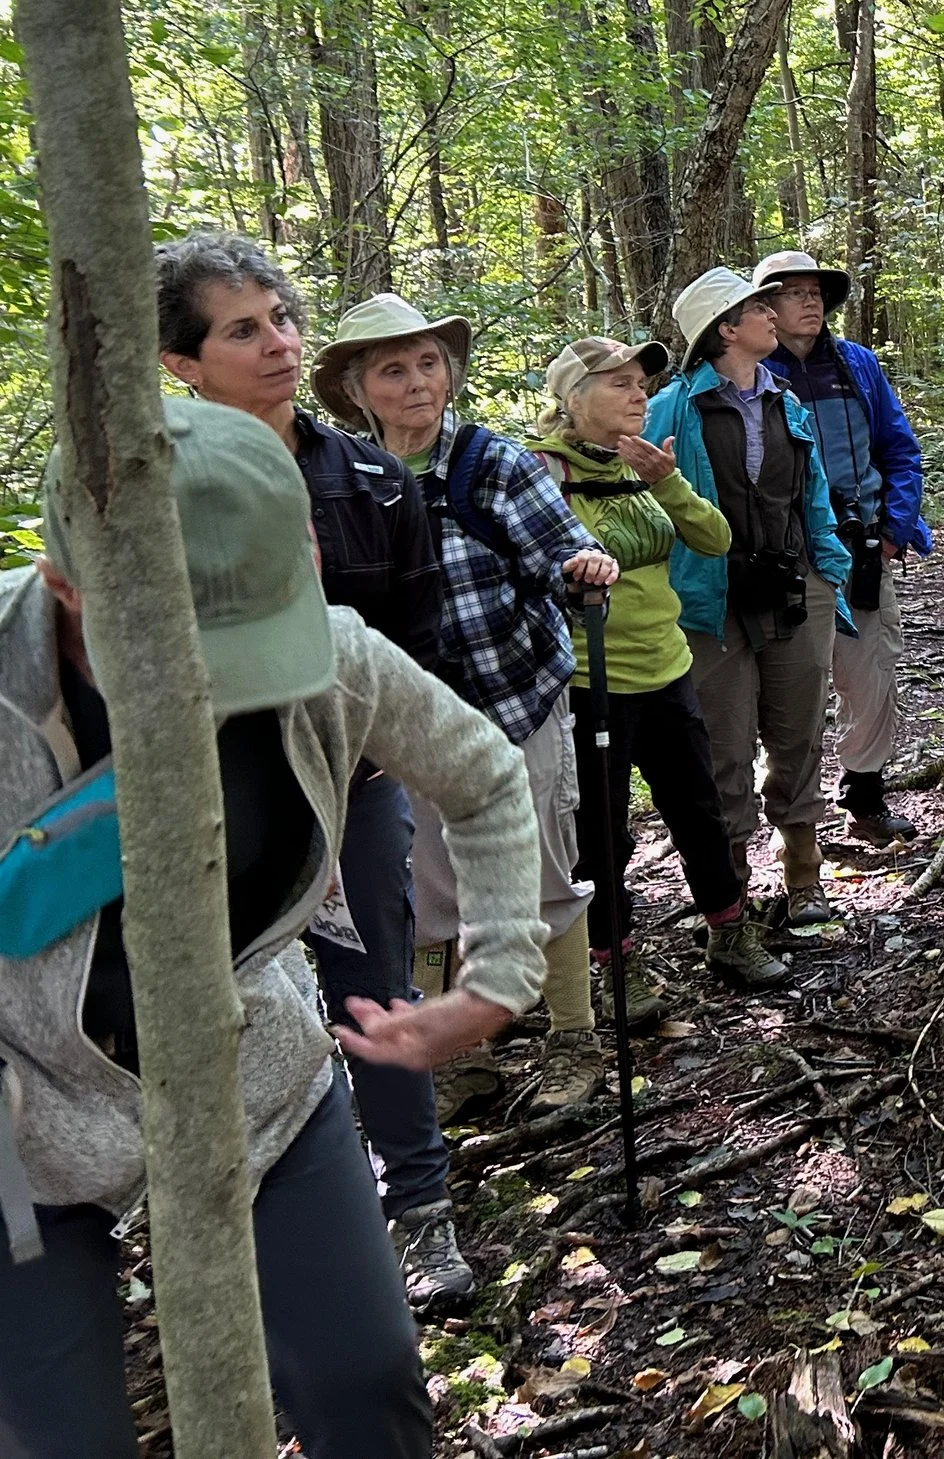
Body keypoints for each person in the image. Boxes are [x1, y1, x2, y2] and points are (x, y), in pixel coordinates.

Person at [0, 397, 546, 1459]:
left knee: (365, 1379)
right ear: (67, 585)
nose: (218, 695)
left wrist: (497, 977)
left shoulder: (334, 652)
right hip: (25, 1123)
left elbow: (481, 777)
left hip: (255, 1070)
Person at [154, 231, 474, 1309]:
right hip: (203, 801)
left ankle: (420, 1211)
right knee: (224, 1005)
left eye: (282, 317)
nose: (280, 343)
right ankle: (245, 1226)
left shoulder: (375, 480)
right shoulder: (148, 490)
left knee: (373, 985)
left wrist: (370, 768)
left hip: (355, 783)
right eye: (243, 330)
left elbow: (417, 642)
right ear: (182, 363)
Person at [311, 294, 620, 1117]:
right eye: (393, 369)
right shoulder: (343, 480)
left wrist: (587, 567)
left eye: (428, 363)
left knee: (544, 876)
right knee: (433, 891)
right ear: (356, 388)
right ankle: (463, 1052)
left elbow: (563, 549)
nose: (418, 383)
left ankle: (572, 1036)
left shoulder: (495, 464)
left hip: (515, 703)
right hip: (405, 725)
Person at [534, 336, 789, 1005]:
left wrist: (664, 480)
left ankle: (729, 933)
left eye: (641, 382)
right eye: (617, 383)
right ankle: (616, 964)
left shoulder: (642, 465)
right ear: (572, 398)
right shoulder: (539, 472)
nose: (638, 393)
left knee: (698, 810)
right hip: (593, 681)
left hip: (667, 668)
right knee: (602, 834)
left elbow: (715, 537)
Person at [647, 269, 853, 927]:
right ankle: (729, 894)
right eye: (756, 307)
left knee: (798, 736)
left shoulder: (785, 401)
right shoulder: (672, 408)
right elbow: (646, 504)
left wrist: (830, 568)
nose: (774, 313)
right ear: (725, 329)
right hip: (709, 603)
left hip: (794, 590)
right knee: (722, 744)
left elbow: (811, 493)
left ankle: (803, 876)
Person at [755, 251, 932, 850]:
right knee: (793, 686)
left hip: (861, 549)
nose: (809, 302)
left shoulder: (856, 365)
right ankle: (794, 819)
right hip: (787, 558)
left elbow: (899, 449)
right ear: (763, 308)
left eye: (816, 292)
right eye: (792, 292)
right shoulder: (749, 374)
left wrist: (892, 530)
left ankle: (865, 795)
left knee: (871, 675)